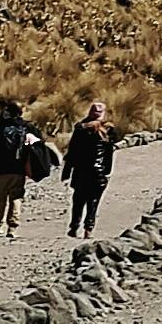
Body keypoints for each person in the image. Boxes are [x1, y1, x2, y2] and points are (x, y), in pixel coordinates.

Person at [0, 96, 36, 240]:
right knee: (16, 197)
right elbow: (35, 148)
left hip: (0, 169)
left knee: (0, 198)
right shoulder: (27, 128)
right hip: (18, 169)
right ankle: (12, 227)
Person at [63, 99, 118, 241]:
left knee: (78, 200)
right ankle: (88, 229)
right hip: (98, 172)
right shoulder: (108, 130)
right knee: (93, 201)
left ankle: (74, 227)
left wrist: (66, 171)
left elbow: (72, 152)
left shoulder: (80, 128)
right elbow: (109, 153)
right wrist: (107, 171)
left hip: (81, 171)